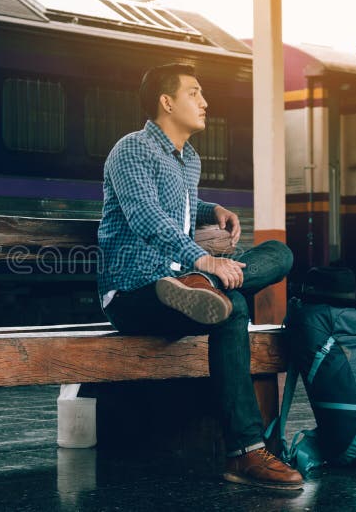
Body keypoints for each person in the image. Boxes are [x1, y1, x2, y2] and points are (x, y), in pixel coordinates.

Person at [97, 63, 303, 491]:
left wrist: (213, 211)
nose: (205, 102)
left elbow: (180, 201)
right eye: (195, 93)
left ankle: (201, 289)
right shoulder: (131, 149)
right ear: (166, 101)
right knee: (234, 308)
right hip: (135, 294)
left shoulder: (187, 158)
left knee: (279, 254)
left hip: (182, 285)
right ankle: (246, 453)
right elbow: (145, 215)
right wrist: (203, 260)